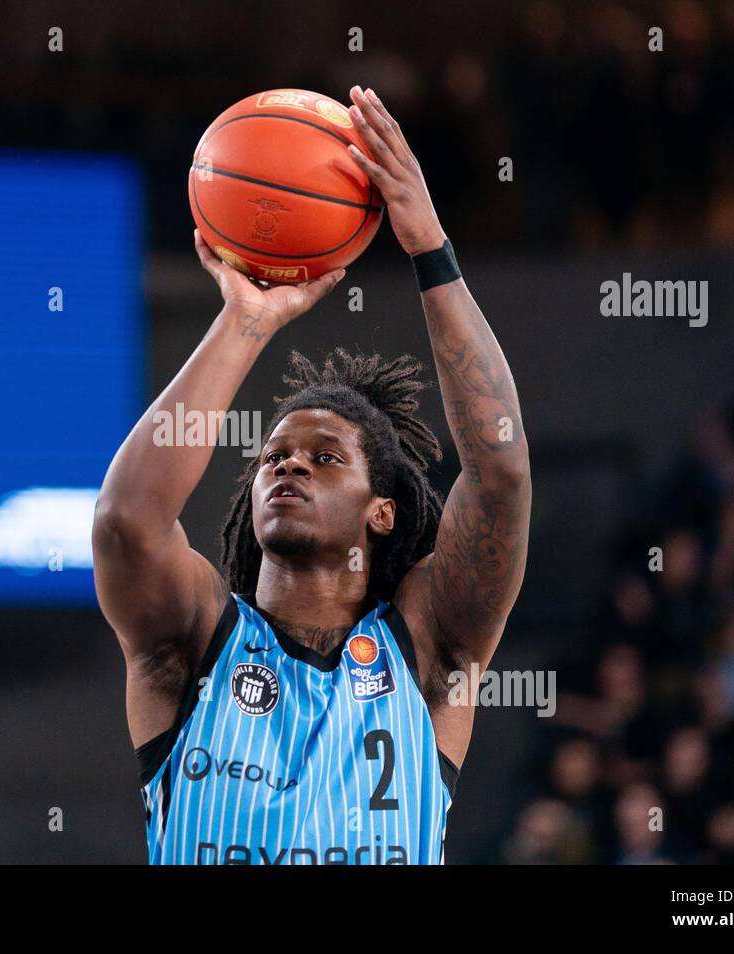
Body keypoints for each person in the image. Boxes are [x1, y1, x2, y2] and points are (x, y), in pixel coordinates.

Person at [93, 85, 531, 864]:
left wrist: (430, 248)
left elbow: (498, 475)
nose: (287, 461)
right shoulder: (193, 640)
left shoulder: (430, 653)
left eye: (325, 456)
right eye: (271, 456)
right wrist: (246, 320)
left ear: (383, 512)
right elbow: (128, 523)